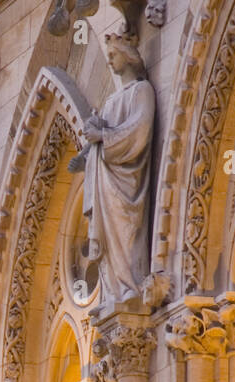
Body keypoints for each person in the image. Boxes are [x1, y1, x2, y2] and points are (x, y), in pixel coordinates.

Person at [78, 30, 155, 313]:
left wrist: (103, 137)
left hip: (125, 180)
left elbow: (139, 130)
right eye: (107, 55)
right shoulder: (112, 101)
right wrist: (95, 133)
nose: (109, 61)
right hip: (106, 180)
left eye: (113, 55)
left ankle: (129, 288)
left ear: (129, 55)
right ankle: (112, 293)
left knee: (125, 232)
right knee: (110, 239)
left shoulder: (141, 91)